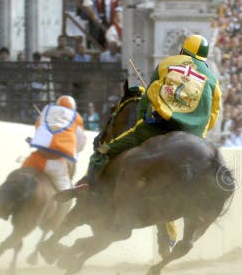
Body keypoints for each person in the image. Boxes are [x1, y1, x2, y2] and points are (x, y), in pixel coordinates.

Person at [79, 34, 222, 187]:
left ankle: (88, 185)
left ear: (183, 50)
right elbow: (213, 116)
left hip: (159, 127)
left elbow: (149, 97)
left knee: (105, 149)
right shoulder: (213, 80)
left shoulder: (167, 64)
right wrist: (199, 133)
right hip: (194, 135)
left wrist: (142, 120)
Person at [22, 95, 87, 191]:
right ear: (73, 108)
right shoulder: (76, 117)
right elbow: (81, 141)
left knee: (20, 174)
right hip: (56, 164)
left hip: (35, 159)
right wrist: (74, 150)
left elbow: (38, 128)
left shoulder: (47, 111)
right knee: (65, 194)